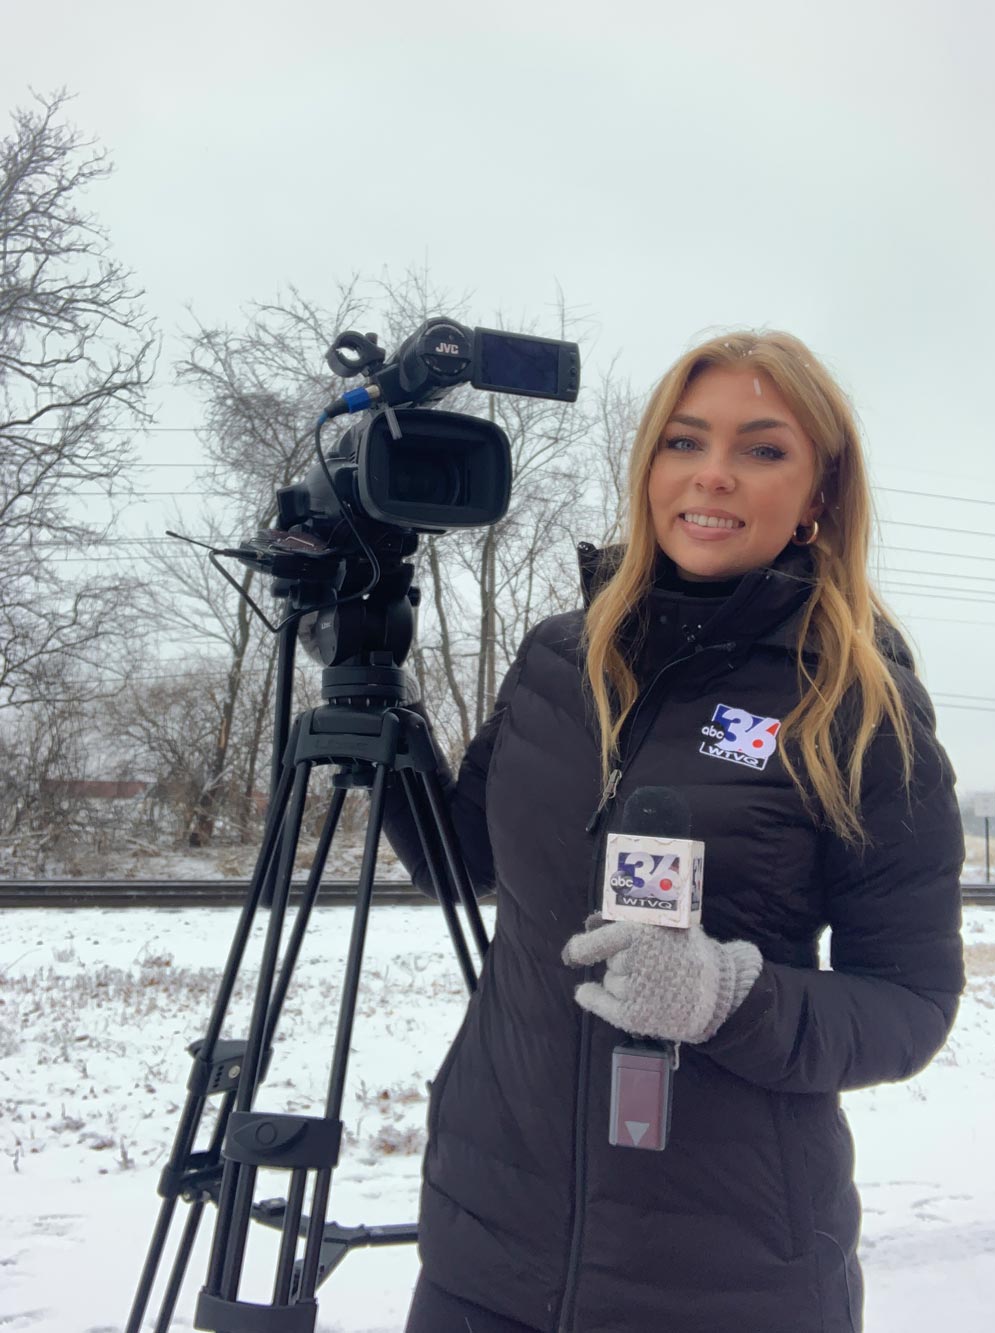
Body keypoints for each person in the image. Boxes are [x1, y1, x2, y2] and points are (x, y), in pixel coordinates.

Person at [385, 329, 965, 1333]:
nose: (713, 476)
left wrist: (726, 995)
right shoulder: (559, 660)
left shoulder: (859, 706)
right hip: (485, 1252)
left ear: (821, 493)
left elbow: (910, 1004)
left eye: (762, 448)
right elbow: (461, 857)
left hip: (725, 1279)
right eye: (684, 442)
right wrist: (371, 695)